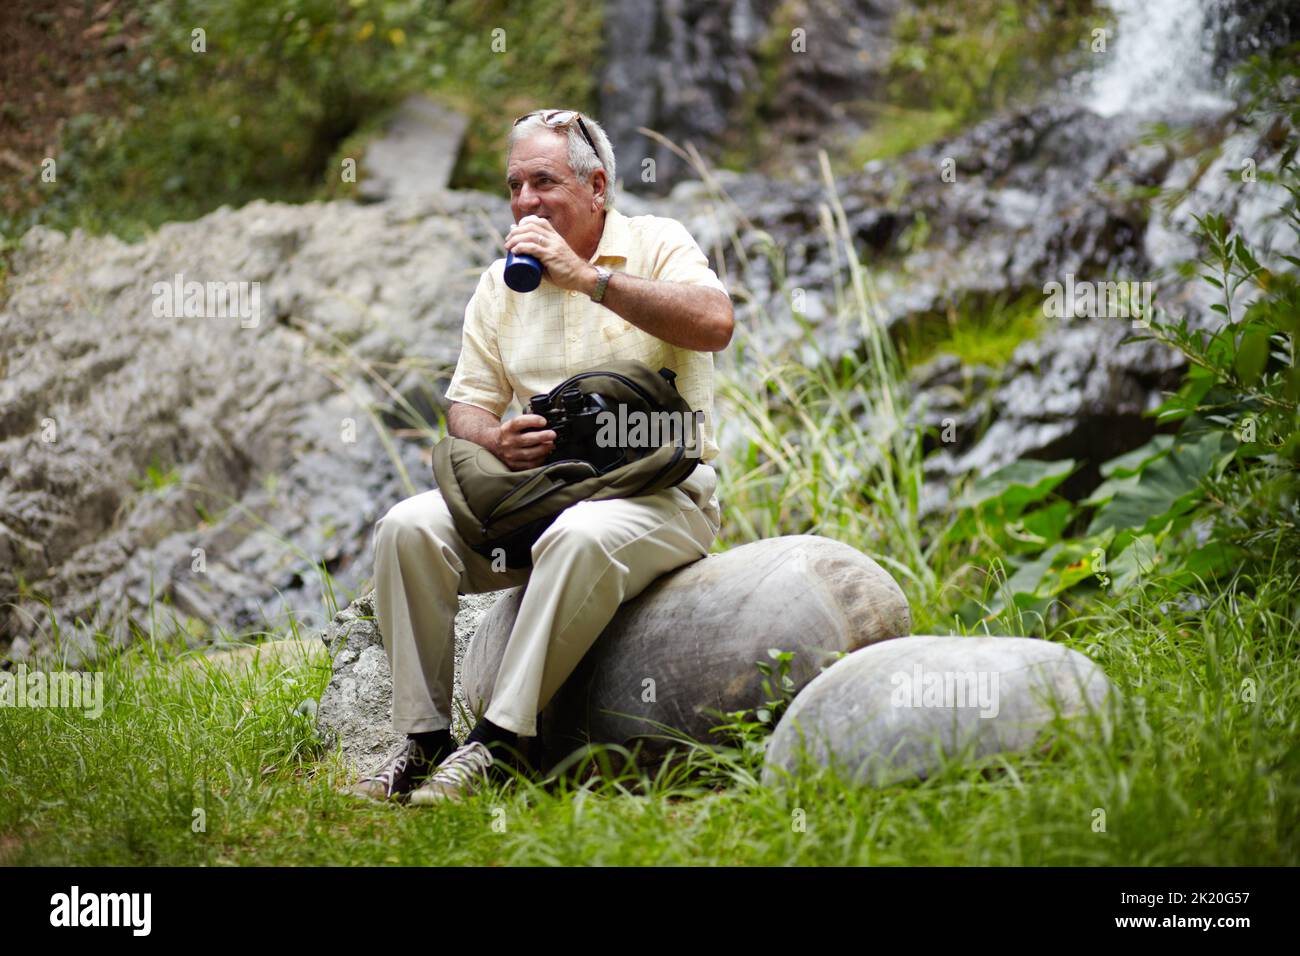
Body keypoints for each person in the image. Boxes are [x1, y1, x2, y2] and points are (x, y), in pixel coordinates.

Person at [346, 108, 734, 805]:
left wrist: (588, 278)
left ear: (597, 188)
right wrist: (494, 438)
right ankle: (425, 740)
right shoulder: (500, 284)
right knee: (406, 527)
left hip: (662, 499)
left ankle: (500, 745)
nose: (526, 201)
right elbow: (465, 403)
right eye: (515, 185)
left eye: (544, 182)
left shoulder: (656, 242)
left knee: (579, 535)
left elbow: (715, 324)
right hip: (539, 496)